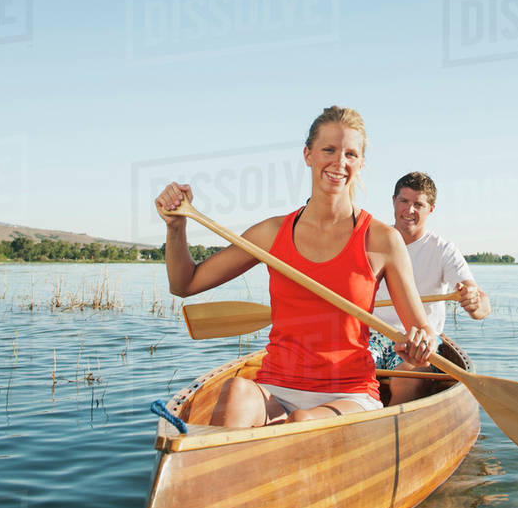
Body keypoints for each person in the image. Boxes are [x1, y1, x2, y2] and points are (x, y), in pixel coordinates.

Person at [154, 106, 437, 428]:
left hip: (350, 394)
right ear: (308, 155)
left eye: (350, 154)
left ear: (361, 163)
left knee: (303, 420)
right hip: (275, 388)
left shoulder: (382, 240)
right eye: (328, 150)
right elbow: (184, 284)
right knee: (236, 391)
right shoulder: (271, 234)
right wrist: (176, 228)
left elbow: (421, 328)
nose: (339, 163)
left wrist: (420, 345)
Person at [370, 171, 491, 405]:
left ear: (431, 209)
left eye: (418, 204)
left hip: (419, 342)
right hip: (370, 337)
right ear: (393, 201)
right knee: (340, 373)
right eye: (404, 201)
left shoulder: (443, 249)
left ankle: (387, 435)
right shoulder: (371, 241)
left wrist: (474, 302)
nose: (409, 210)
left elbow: (482, 307)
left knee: (408, 379)